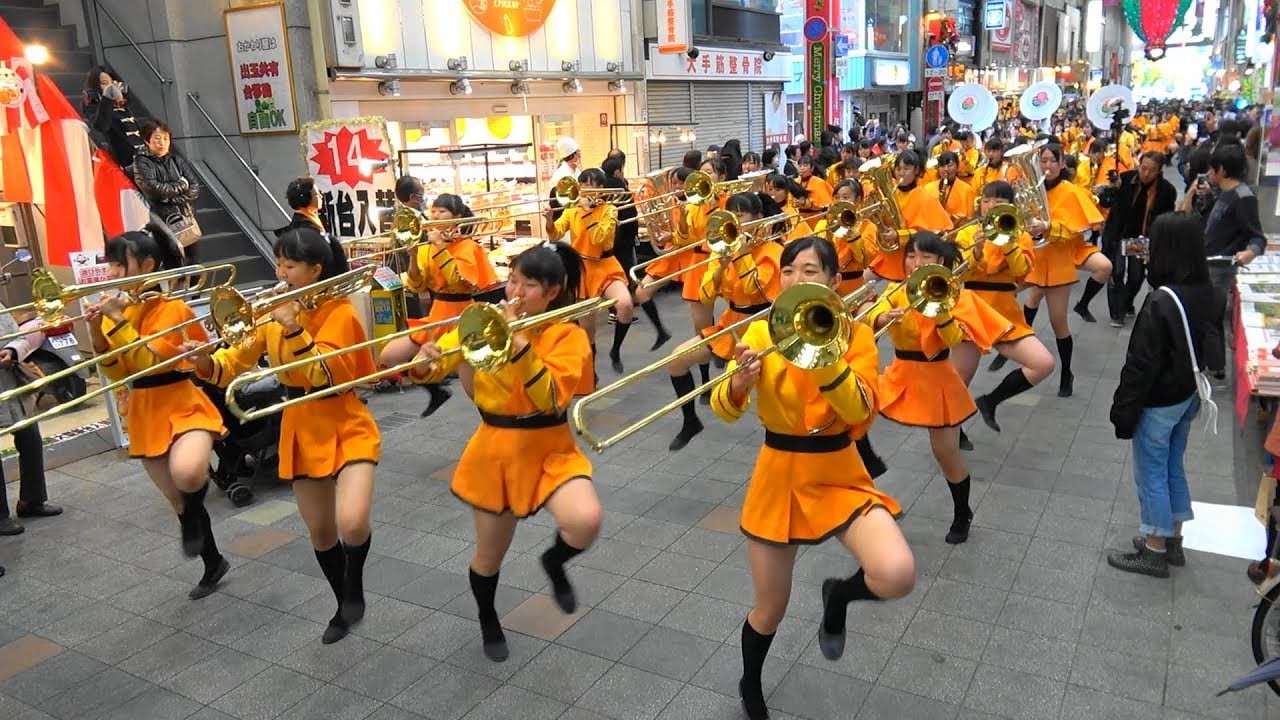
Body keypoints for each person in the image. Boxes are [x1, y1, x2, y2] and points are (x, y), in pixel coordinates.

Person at [710, 236, 915, 720]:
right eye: (787, 271)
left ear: (831, 281)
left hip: (839, 471)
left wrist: (822, 355)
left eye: (808, 271)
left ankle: (838, 595)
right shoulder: (761, 334)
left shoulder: (857, 336)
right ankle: (751, 682)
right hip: (778, 475)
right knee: (770, 608)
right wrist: (737, 381)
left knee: (897, 573)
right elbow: (725, 410)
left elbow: (861, 410)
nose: (795, 280)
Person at [408, 242, 602, 662]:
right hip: (495, 449)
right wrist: (426, 360)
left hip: (551, 446)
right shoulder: (484, 321)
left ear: (553, 291)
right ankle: (487, 617)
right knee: (489, 555)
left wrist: (516, 344)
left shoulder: (567, 335)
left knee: (585, 521)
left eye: (528, 285)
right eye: (512, 279)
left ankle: (555, 560)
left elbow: (551, 397)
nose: (514, 291)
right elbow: (432, 368)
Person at [191, 227, 379, 644]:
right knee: (321, 531)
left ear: (315, 270)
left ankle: (356, 587)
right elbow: (234, 360)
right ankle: (343, 603)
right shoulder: (274, 311)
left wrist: (295, 329)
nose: (280, 272)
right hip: (299, 423)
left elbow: (326, 374)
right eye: (278, 263)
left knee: (353, 522)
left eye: (289, 265)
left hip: (343, 419)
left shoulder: (341, 312)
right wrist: (205, 359)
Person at [86, 222, 227, 599]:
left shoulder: (174, 308)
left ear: (148, 264)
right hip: (144, 408)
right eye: (111, 266)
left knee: (188, 471)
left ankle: (198, 517)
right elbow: (119, 370)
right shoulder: (115, 310)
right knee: (178, 499)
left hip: (181, 400)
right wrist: (99, 332)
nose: (113, 274)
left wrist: (116, 322)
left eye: (121, 265)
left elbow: (154, 361)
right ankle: (213, 562)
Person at [864, 231, 1012, 543]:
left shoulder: (951, 292)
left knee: (945, 452)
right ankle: (868, 460)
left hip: (937, 377)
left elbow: (955, 340)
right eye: (911, 256)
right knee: (855, 409)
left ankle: (962, 512)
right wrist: (880, 318)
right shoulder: (896, 289)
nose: (916, 263)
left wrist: (941, 311)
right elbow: (870, 314)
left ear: (940, 262)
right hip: (900, 373)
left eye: (925, 258)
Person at [1108, 212, 1223, 578]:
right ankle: (1174, 539)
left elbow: (1140, 365)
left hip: (1159, 400)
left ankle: (1154, 547)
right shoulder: (1211, 292)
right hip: (1189, 394)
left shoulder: (1161, 300)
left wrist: (1123, 412)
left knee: (1152, 472)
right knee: (1173, 465)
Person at [386, 193, 501, 417]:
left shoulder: (469, 247)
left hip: (463, 314)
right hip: (437, 312)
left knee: (474, 390)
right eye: (433, 211)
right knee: (389, 356)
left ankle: (496, 420)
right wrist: (412, 256)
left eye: (442, 212)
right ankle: (436, 389)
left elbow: (458, 281)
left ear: (457, 217)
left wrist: (439, 245)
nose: (435, 216)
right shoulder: (426, 247)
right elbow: (418, 286)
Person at [1020, 144, 1109, 397]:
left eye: (1051, 161)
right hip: (1035, 257)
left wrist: (1048, 227)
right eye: (1043, 161)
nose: (1046, 166)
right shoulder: (1030, 190)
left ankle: (1066, 372)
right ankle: (1015, 352)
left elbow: (1076, 231)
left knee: (1058, 322)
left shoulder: (1071, 192)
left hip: (1059, 259)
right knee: (1009, 296)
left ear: (1061, 164)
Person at [544, 168, 636, 375]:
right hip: (582, 268)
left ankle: (615, 349)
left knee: (626, 305)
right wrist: (549, 220)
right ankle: (590, 374)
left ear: (601, 188)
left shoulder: (610, 209)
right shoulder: (571, 209)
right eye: (583, 184)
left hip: (606, 265)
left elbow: (600, 240)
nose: (585, 190)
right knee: (587, 331)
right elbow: (556, 233)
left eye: (591, 185)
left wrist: (586, 213)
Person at [0, 306, 62, 536]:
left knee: (31, 438)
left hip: (10, 384)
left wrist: (11, 351)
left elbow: (19, 338)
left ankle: (32, 500)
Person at [1100, 152, 1177, 327]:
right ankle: (1117, 313)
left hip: (1140, 239)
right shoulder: (1125, 179)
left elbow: (1165, 218)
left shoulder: (1166, 190)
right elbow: (1106, 202)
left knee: (1136, 277)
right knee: (1116, 273)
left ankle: (1127, 302)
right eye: (1143, 168)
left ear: (1159, 171)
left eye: (1152, 170)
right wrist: (1113, 188)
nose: (1146, 173)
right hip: (1118, 235)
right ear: (1138, 165)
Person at [133, 121, 202, 261]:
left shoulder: (176, 160)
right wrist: (182, 185)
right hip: (161, 218)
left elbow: (194, 186)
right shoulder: (142, 162)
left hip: (185, 215)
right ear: (147, 141)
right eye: (157, 138)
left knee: (192, 258)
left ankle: (194, 282)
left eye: (166, 138)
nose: (162, 143)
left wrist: (172, 199)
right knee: (172, 258)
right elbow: (154, 189)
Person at [81, 65, 145, 173]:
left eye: (112, 83)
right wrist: (107, 97)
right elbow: (101, 125)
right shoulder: (94, 103)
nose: (110, 86)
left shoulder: (123, 102)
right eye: (105, 83)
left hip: (142, 157)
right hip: (123, 159)